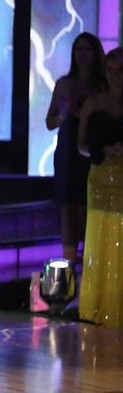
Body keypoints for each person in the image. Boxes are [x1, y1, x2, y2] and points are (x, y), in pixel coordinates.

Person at [45, 32, 107, 262]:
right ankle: (68, 262)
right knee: (67, 207)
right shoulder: (63, 84)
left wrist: (77, 111)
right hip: (66, 152)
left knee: (85, 207)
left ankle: (90, 261)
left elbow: (101, 122)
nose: (82, 54)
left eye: (87, 49)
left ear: (95, 53)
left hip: (91, 151)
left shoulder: (102, 87)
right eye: (78, 49)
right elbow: (49, 122)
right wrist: (63, 114)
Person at [77, 46, 123, 330]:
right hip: (100, 179)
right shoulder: (94, 102)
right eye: (110, 70)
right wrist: (103, 149)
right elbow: (81, 145)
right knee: (99, 237)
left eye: (121, 71)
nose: (115, 76)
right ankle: (98, 309)